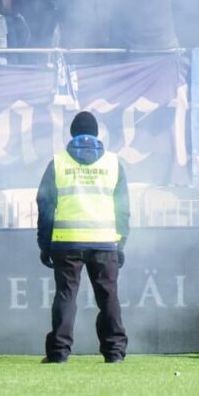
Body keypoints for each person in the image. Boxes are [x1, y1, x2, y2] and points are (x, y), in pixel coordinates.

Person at [36, 111, 130, 364]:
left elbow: (45, 205)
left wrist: (44, 243)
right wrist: (120, 242)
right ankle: (114, 352)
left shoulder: (58, 163)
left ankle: (59, 353)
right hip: (104, 241)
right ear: (97, 134)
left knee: (66, 296)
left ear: (72, 133)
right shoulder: (113, 163)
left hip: (67, 241)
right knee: (108, 296)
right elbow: (123, 209)